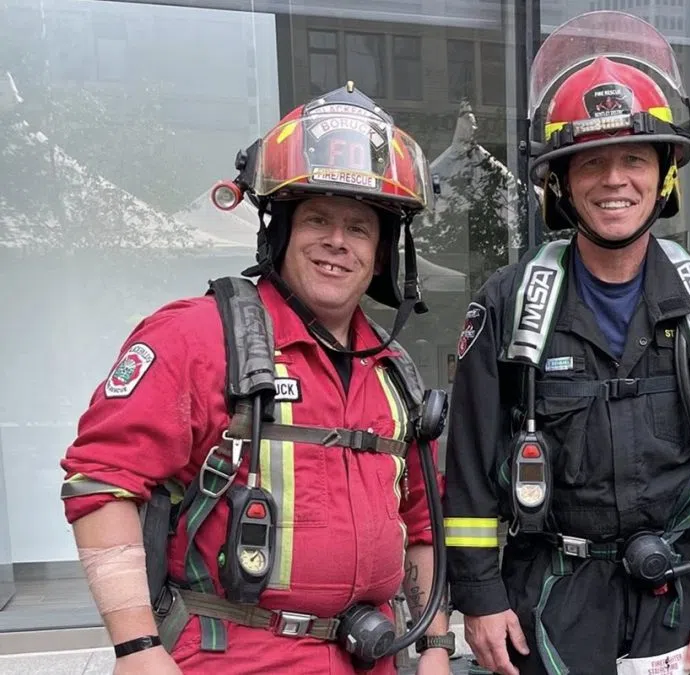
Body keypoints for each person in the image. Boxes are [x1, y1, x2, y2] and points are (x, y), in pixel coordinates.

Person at [59, 83, 454, 674]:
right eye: (317, 218)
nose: (336, 244)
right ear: (281, 234)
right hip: (229, 657)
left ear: (382, 253)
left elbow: (423, 524)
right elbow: (100, 481)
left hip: (376, 656)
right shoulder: (197, 338)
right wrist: (137, 649)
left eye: (360, 228)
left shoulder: (392, 371)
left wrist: (435, 648)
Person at [442, 11, 690, 675]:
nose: (614, 179)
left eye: (634, 158)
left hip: (673, 595)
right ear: (560, 181)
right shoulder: (507, 303)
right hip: (546, 598)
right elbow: (469, 469)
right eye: (592, 160)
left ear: (665, 172)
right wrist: (479, 596)